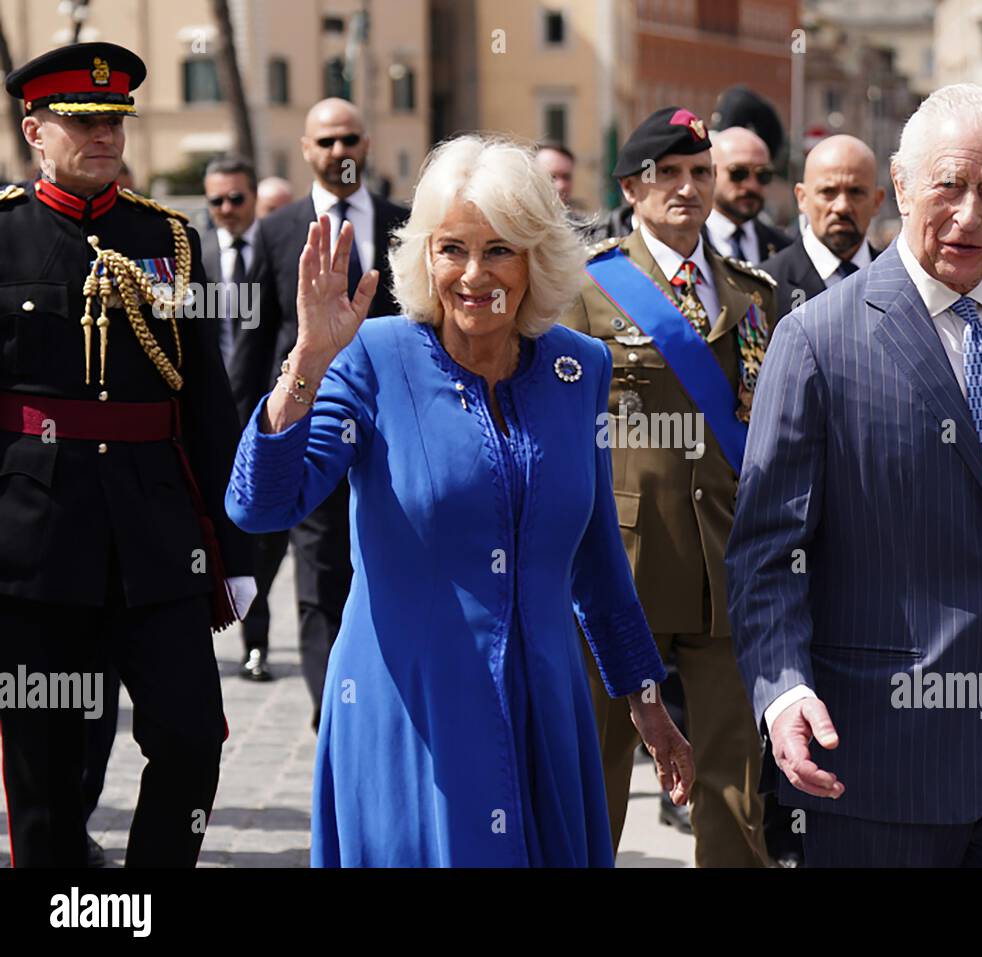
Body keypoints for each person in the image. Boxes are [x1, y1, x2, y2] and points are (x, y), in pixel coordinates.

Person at [224, 135, 692, 866]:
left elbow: (598, 559)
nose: (475, 275)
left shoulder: (581, 369)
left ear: (537, 257)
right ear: (426, 257)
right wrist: (307, 361)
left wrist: (647, 700)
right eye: (452, 249)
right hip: (411, 709)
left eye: (500, 249)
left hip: (544, 705)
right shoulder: (373, 358)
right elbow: (260, 505)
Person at [728, 84, 982, 867]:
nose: (969, 215)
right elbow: (765, 554)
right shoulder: (817, 340)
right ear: (901, 186)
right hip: (881, 762)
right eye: (949, 187)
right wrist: (784, 688)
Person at [0, 42, 253, 867]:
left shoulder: (168, 238)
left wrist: (235, 548)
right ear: (36, 130)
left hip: (156, 539)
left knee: (190, 738)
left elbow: (207, 405)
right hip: (34, 543)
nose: (103, 134)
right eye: (82, 123)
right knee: (46, 773)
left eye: (113, 120)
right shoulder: (2, 237)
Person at [561, 106, 775, 868]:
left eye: (701, 172)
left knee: (734, 787)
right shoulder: (586, 291)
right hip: (623, 562)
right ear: (631, 186)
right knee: (600, 774)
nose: (687, 187)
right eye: (668, 174)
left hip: (724, 563)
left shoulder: (753, 295)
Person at [230, 97, 408, 728]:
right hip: (312, 427)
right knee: (319, 573)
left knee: (389, 561)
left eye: (350, 139)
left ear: (368, 144)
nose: (340, 151)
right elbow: (254, 341)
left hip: (395, 436)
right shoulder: (277, 232)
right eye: (326, 141)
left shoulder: (405, 226)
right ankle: (331, 705)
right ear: (305, 149)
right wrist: (244, 430)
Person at [201, 154, 276, 681]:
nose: (227, 209)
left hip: (263, 410)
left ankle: (258, 640)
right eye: (216, 201)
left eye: (236, 198)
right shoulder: (193, 255)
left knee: (263, 536)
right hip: (208, 417)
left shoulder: (275, 249)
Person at [759, 135, 883, 322]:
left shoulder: (899, 282)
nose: (841, 206)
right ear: (802, 198)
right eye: (828, 192)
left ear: (877, 200)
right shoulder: (765, 288)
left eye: (856, 192)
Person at [704, 126, 791, 264]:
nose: (752, 185)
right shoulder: (685, 243)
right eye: (738, 173)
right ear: (711, 173)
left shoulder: (784, 248)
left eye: (763, 175)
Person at [534, 140, 576, 208]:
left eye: (566, 177)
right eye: (552, 177)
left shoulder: (582, 218)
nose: (561, 185)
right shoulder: (515, 217)